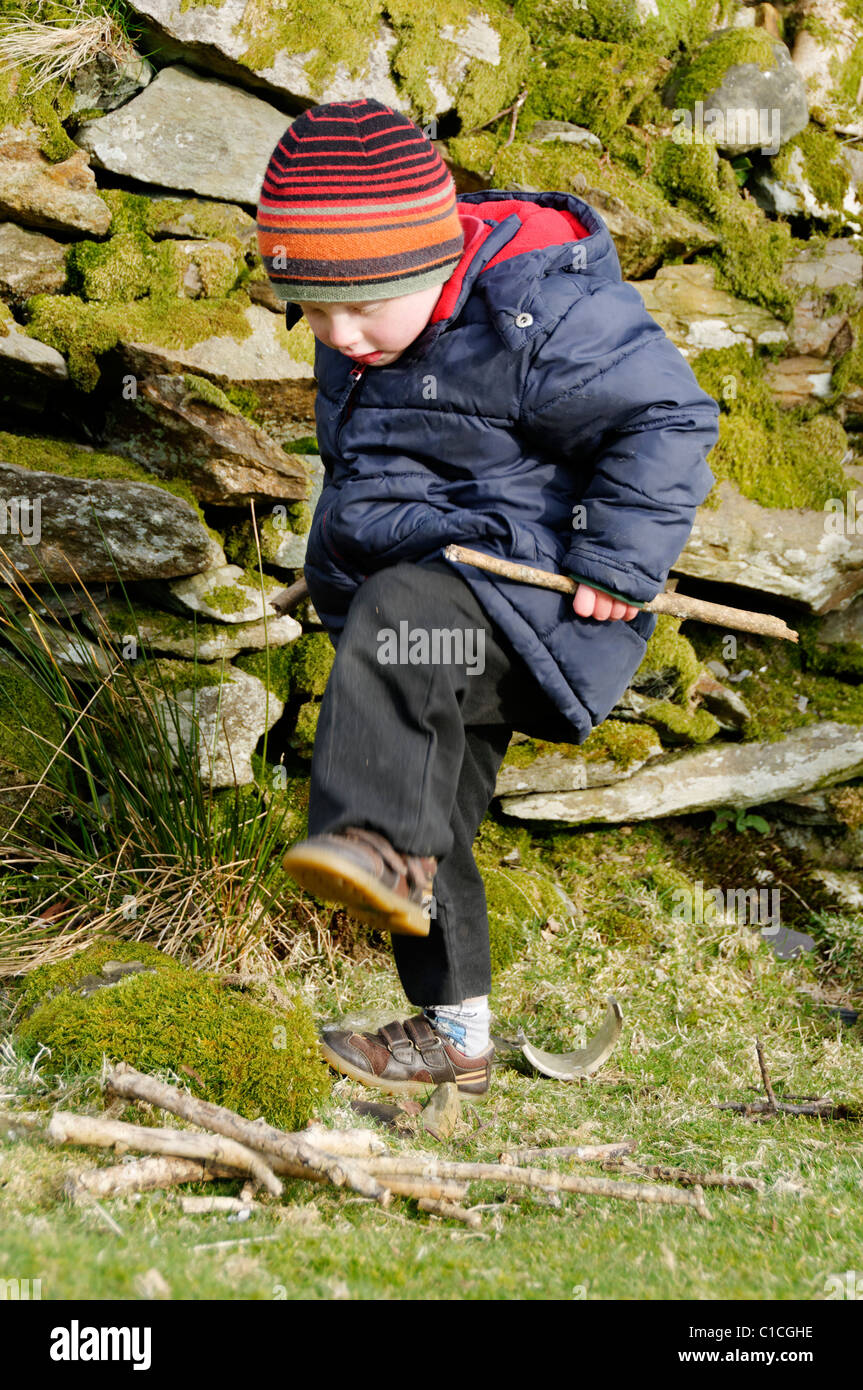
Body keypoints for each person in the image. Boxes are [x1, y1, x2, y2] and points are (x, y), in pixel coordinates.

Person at [256, 98, 720, 1097]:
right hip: (430, 623)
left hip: (538, 601)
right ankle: (452, 1030)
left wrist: (615, 559)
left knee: (400, 623)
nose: (336, 335)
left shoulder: (536, 313)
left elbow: (668, 416)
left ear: (432, 261)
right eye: (312, 311)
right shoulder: (363, 324)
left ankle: (377, 845)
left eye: (359, 308)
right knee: (440, 802)